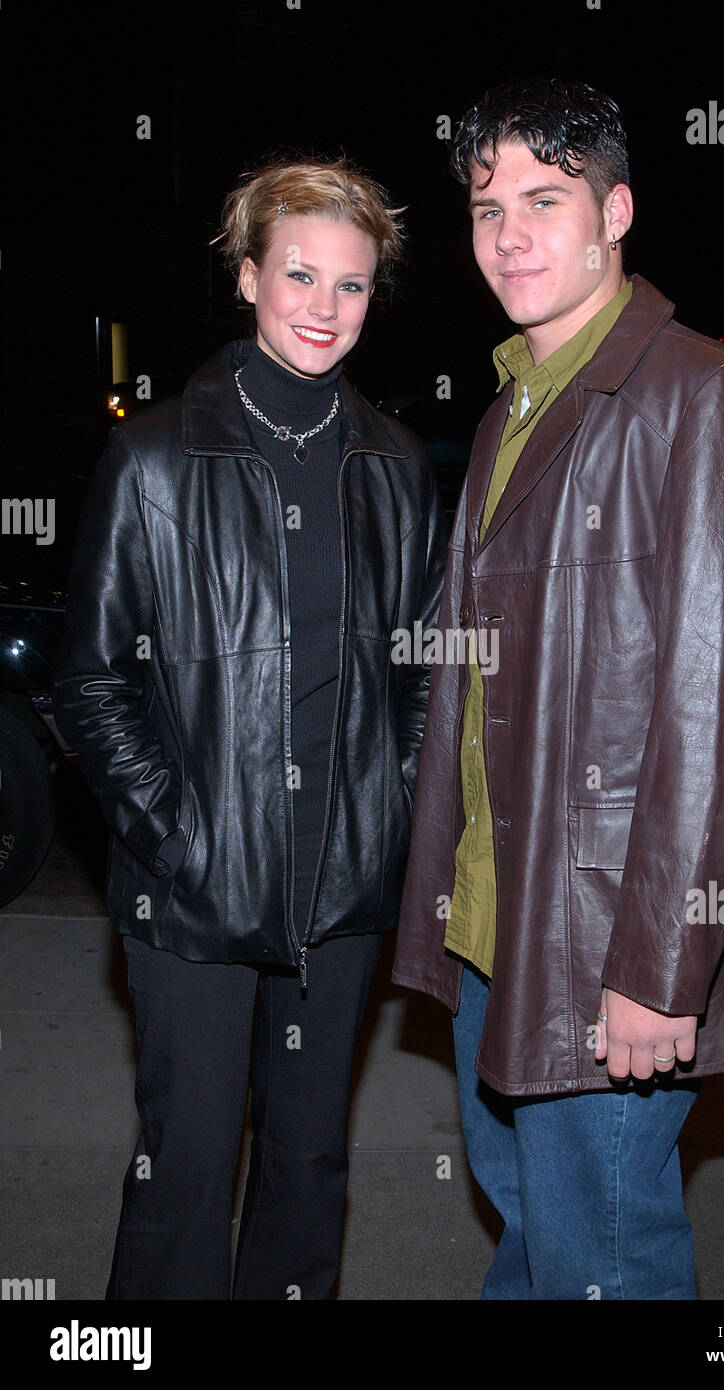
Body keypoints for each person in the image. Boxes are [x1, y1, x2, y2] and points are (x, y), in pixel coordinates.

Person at [392, 80, 724, 1300]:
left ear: (616, 211)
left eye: (545, 200)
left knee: (602, 1264)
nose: (510, 235)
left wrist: (662, 966)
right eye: (486, 209)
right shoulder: (512, 402)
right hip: (499, 926)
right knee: (536, 1236)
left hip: (609, 950)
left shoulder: (704, 398)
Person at [52, 157, 448, 1299]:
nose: (325, 309)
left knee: (310, 1163)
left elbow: (423, 672)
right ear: (248, 277)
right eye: (301, 276)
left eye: (354, 286)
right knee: (184, 1172)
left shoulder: (393, 465)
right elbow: (91, 682)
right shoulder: (155, 457)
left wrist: (387, 817)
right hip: (194, 890)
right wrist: (181, 836)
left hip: (342, 894)